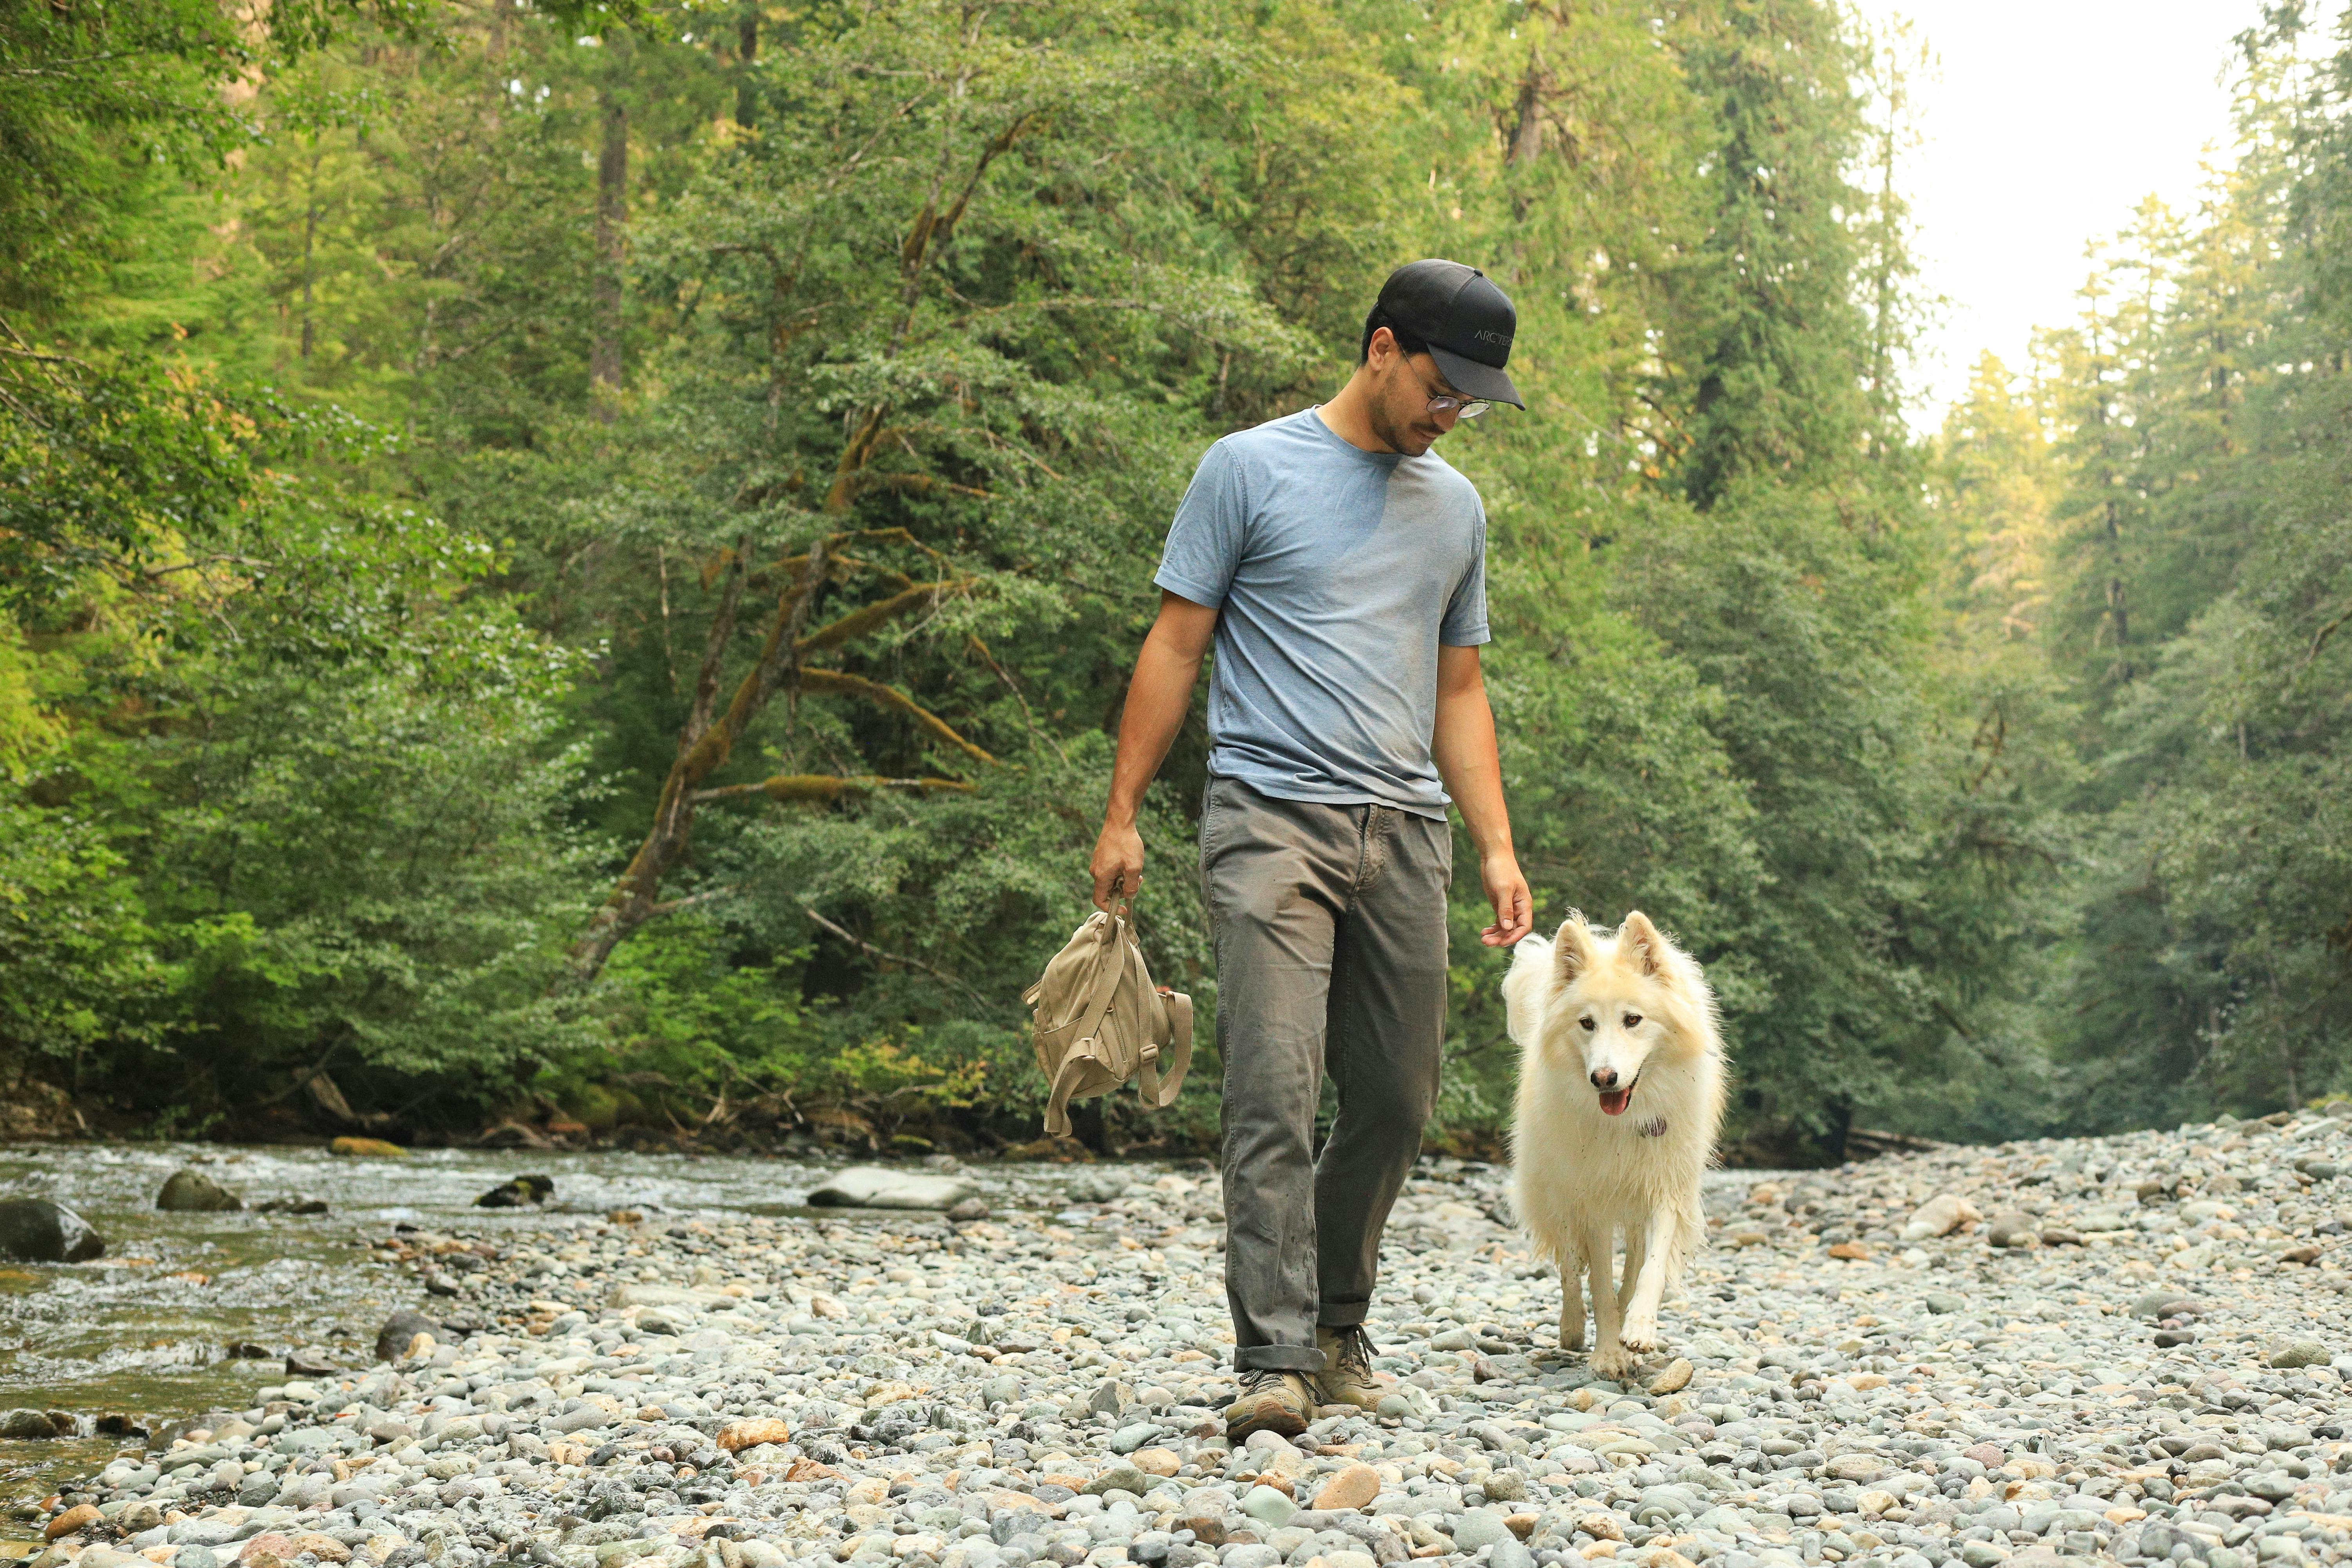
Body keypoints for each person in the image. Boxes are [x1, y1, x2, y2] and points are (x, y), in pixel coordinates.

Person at [1087, 259, 1535, 1438]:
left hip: (1408, 833)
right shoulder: (1248, 468)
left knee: (1396, 1096)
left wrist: (1495, 842)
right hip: (1269, 817)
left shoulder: (1457, 509)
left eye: (1473, 402)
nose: (1454, 414)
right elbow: (1177, 644)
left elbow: (1460, 684)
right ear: (1383, 348)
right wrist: (1123, 809)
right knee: (1274, 1087)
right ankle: (1275, 1355)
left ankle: (1340, 1322)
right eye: (1444, 386)